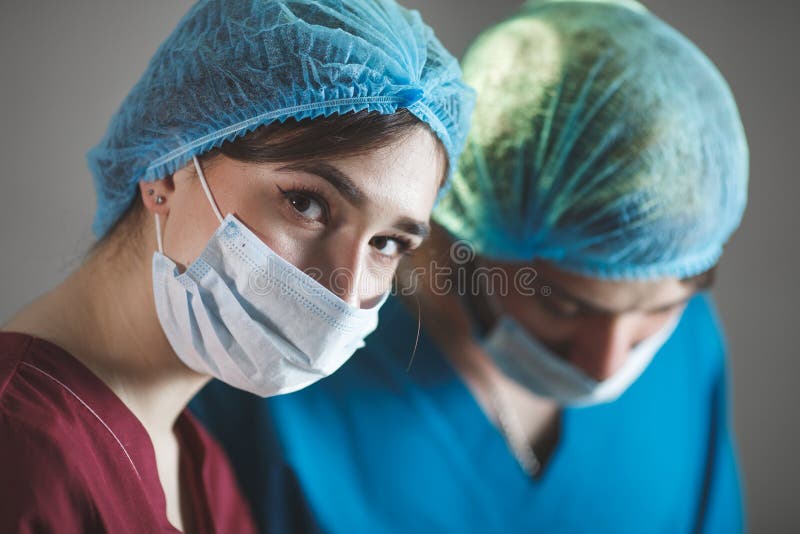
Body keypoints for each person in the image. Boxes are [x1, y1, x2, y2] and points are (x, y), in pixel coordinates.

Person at [192, 0, 749, 532]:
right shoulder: (284, 358)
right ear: (465, 229)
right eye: (562, 303)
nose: (605, 364)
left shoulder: (691, 348)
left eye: (662, 307)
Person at [0, 0, 473, 532]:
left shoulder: (196, 459)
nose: (345, 291)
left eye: (387, 243)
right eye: (306, 204)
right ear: (173, 166)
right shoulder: (18, 447)